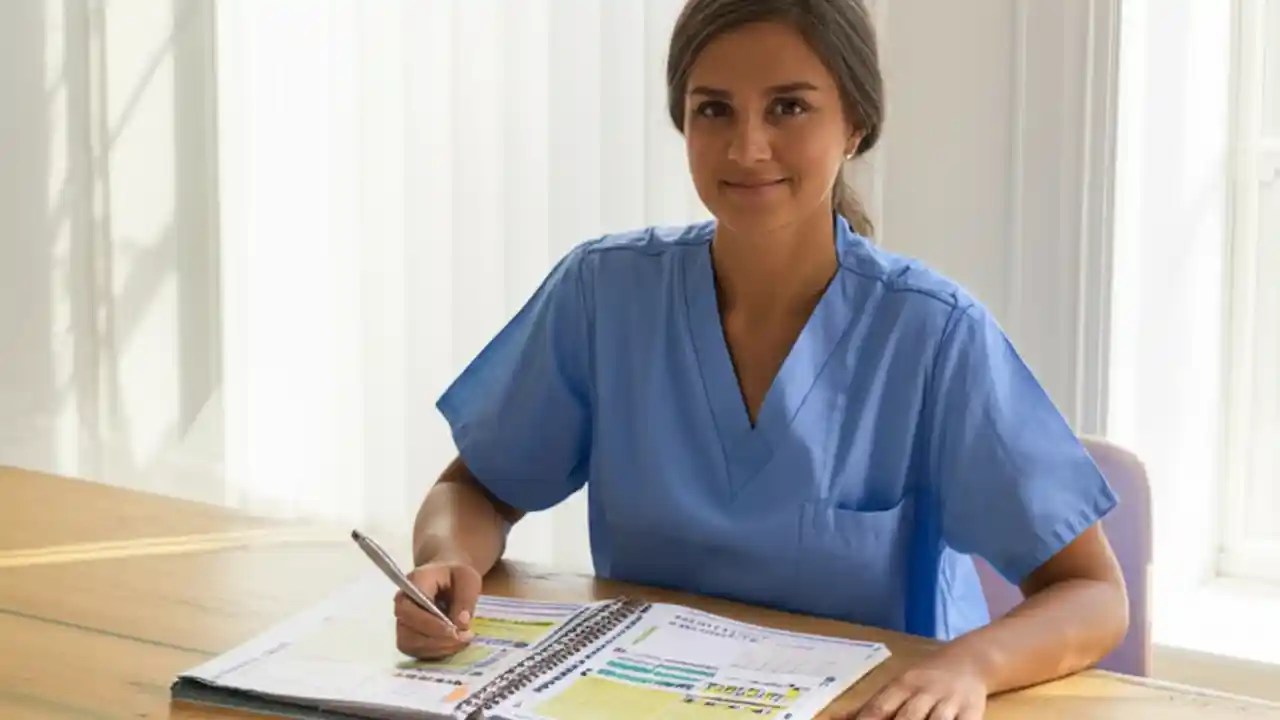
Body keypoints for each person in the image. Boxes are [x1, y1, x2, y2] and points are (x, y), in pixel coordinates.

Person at [394, 0, 1129, 718]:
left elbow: (1093, 593)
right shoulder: (603, 294)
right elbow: (475, 491)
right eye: (714, 109)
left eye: (789, 108)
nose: (748, 148)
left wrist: (970, 665)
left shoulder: (934, 335)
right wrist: (446, 560)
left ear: (856, 125)